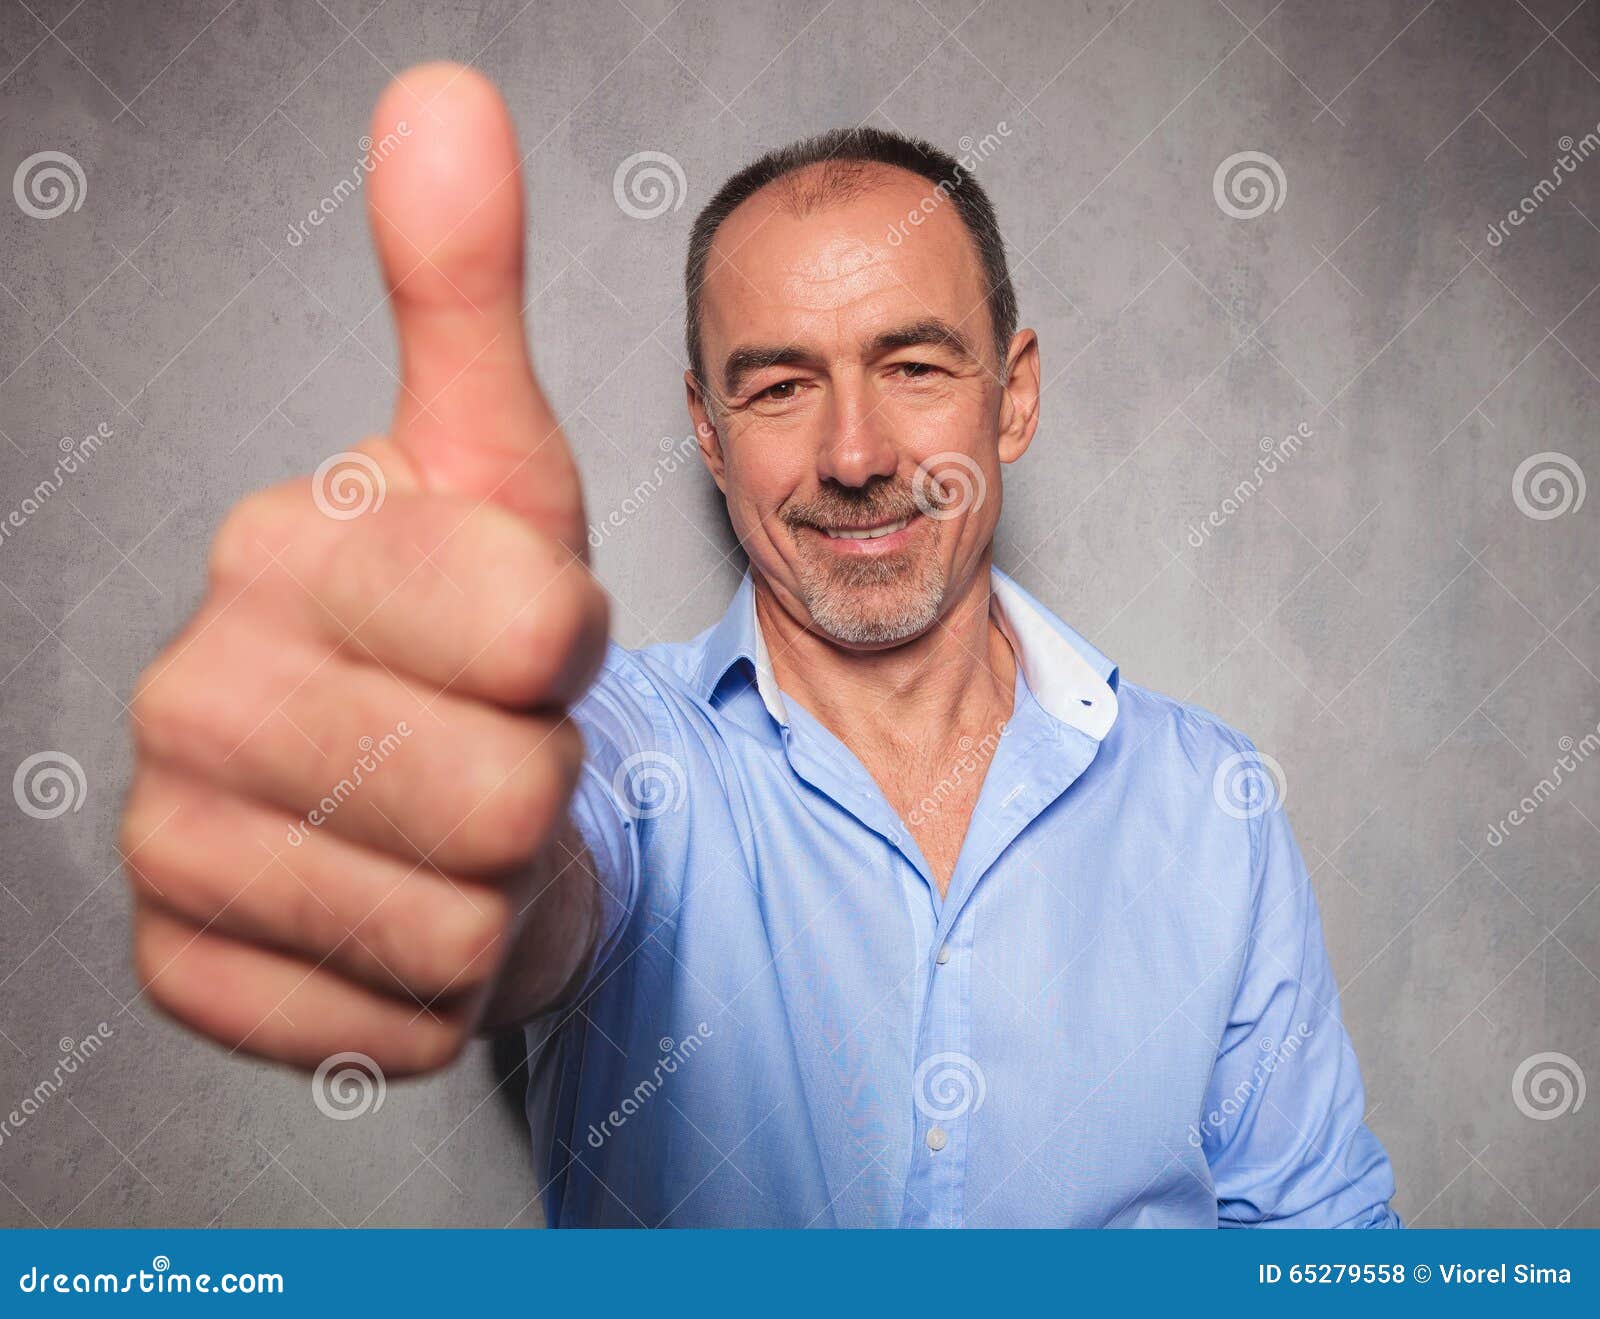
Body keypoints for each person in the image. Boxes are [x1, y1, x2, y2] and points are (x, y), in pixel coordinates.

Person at [120, 62, 1400, 1228]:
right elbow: (546, 856)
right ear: (708, 429)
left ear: (1011, 395)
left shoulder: (1209, 800)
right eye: (779, 386)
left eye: (911, 365)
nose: (852, 456)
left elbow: (1321, 1245)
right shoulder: (628, 752)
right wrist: (410, 792)